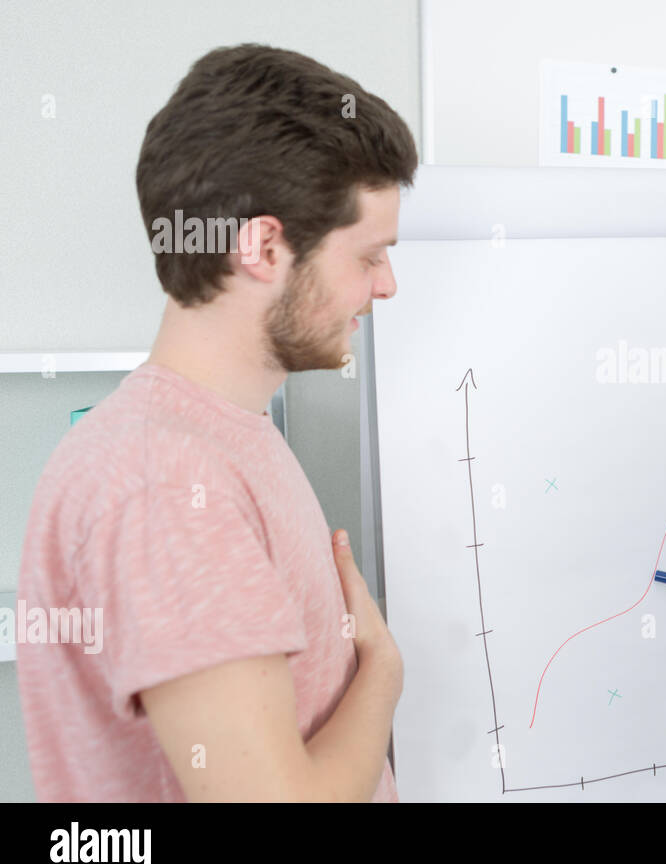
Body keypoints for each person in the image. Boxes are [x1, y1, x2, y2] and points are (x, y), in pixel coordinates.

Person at [17, 43, 418, 801]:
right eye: (369, 257)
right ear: (263, 247)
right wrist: (384, 676)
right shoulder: (163, 484)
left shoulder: (224, 437)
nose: (387, 286)